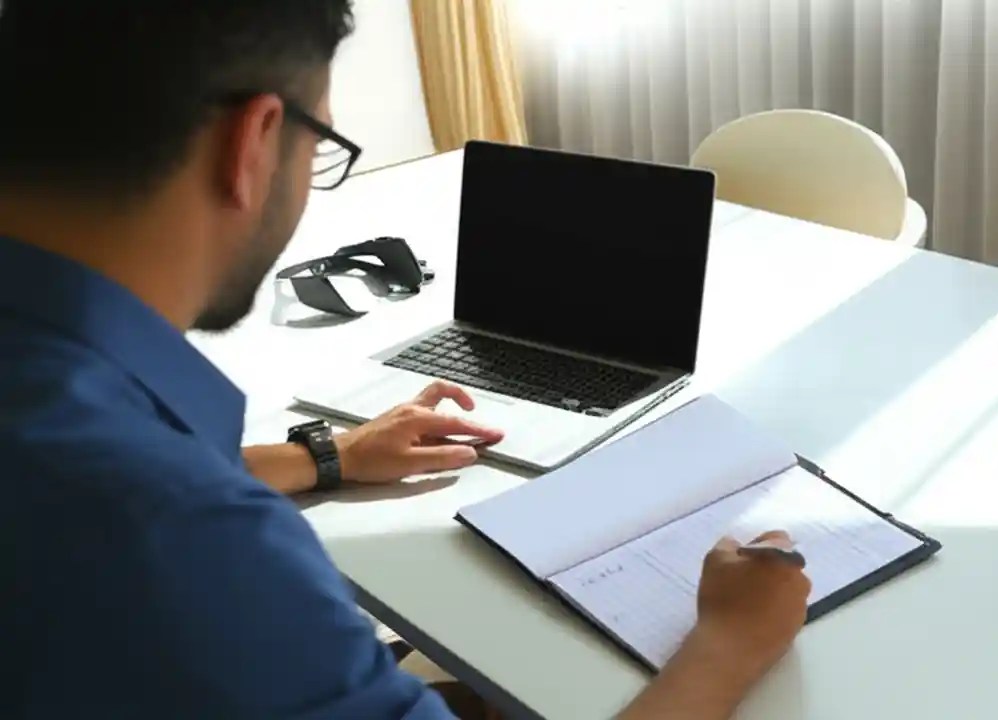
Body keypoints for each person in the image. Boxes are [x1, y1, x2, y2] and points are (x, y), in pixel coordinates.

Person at [0, 3, 812, 719]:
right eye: (321, 145)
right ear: (254, 143)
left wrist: (328, 455)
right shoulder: (192, 544)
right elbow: (141, 510)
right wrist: (729, 643)